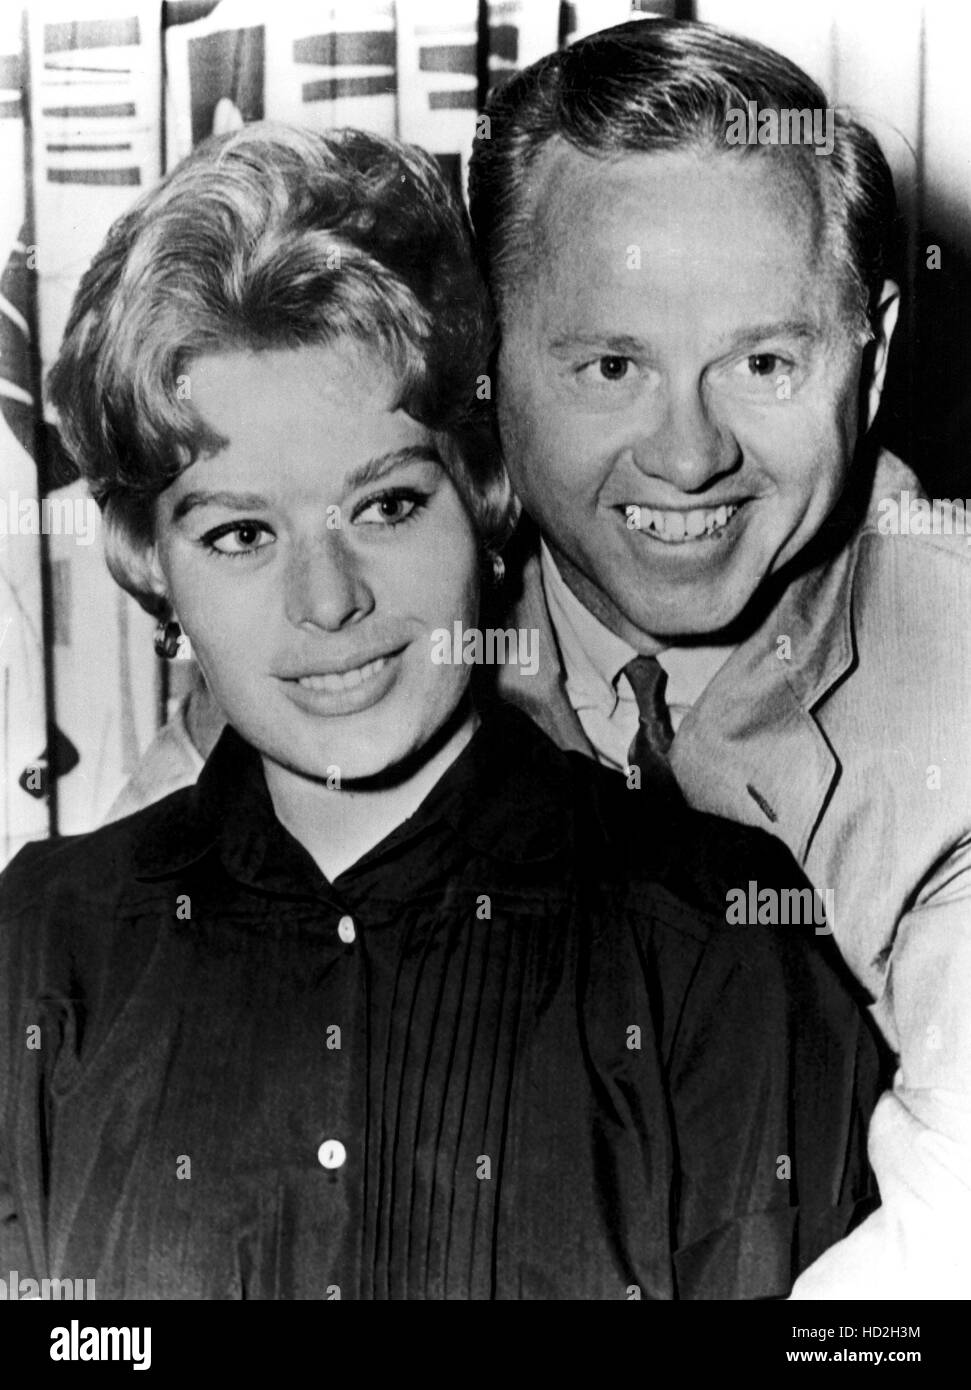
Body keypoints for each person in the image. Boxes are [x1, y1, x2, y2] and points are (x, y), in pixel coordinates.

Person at [119, 18, 971, 1299]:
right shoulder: (376, 594)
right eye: (610, 364)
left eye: (762, 360)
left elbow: (940, 1248)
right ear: (487, 365)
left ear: (876, 354)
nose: (687, 458)